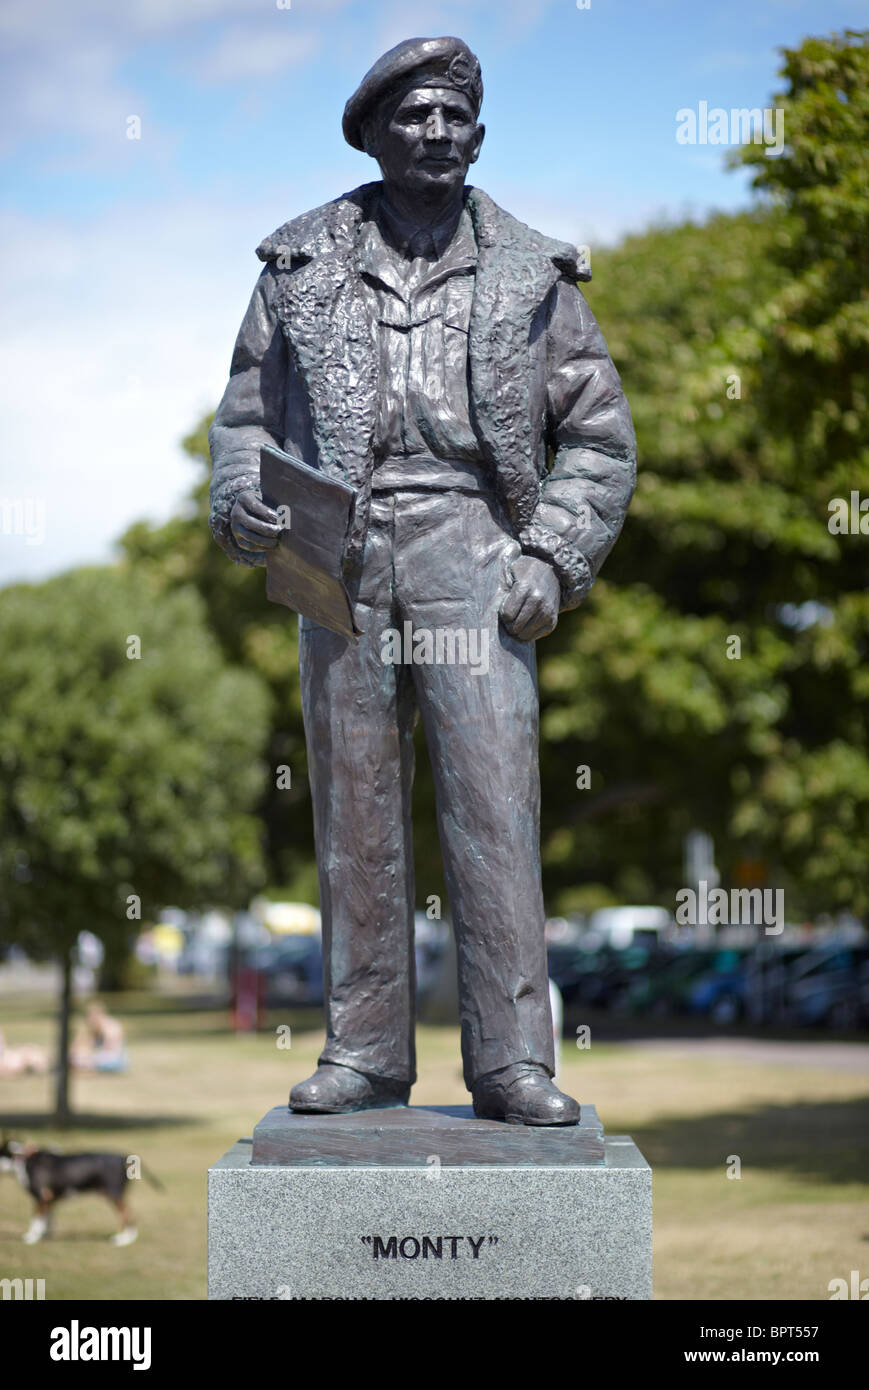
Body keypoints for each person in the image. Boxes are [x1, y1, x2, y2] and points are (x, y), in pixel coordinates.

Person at [209, 36, 636, 1124]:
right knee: (353, 811)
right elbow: (245, 418)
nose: (437, 132)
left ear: (478, 137)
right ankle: (361, 1050)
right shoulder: (295, 268)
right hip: (334, 552)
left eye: (455, 116)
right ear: (373, 134)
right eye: (415, 115)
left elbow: (596, 434)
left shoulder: (534, 273)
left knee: (493, 804)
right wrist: (237, 500)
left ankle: (511, 1063)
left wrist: (554, 551)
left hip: (475, 548)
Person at [70, 1002, 127, 1073]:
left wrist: (88, 1055)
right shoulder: (95, 1029)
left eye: (92, 1016)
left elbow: (110, 1050)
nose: (90, 1020)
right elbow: (81, 1043)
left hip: (115, 1061)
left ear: (100, 1015)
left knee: (83, 1060)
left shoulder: (110, 1027)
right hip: (102, 1058)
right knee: (77, 1057)